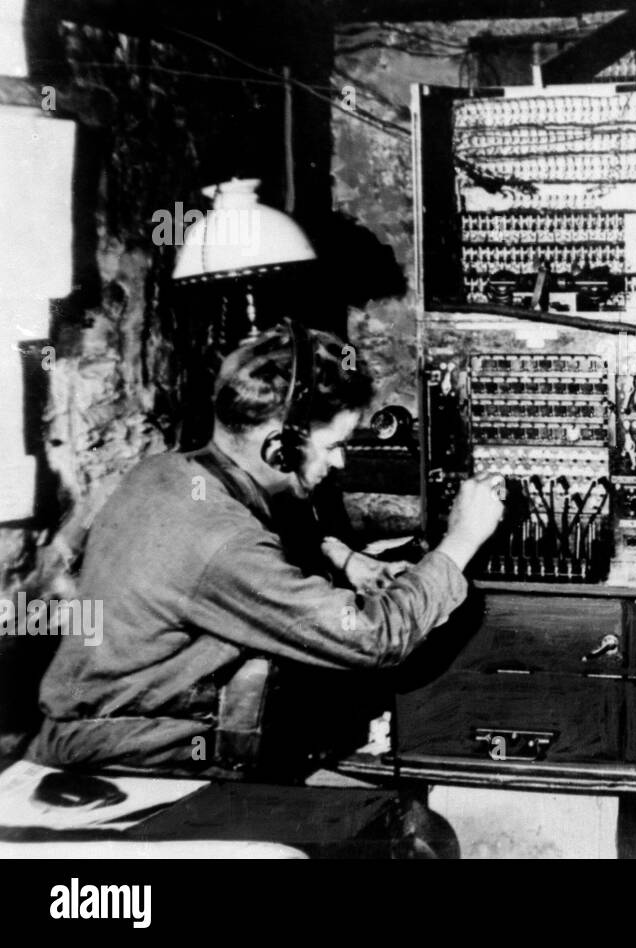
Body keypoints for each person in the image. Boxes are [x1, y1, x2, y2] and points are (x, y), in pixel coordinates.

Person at [27, 322, 504, 773]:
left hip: (92, 731)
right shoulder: (220, 540)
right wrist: (461, 539)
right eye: (334, 444)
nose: (340, 463)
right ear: (281, 447)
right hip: (126, 759)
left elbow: (231, 553)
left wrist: (343, 556)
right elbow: (374, 637)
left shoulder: (165, 473)